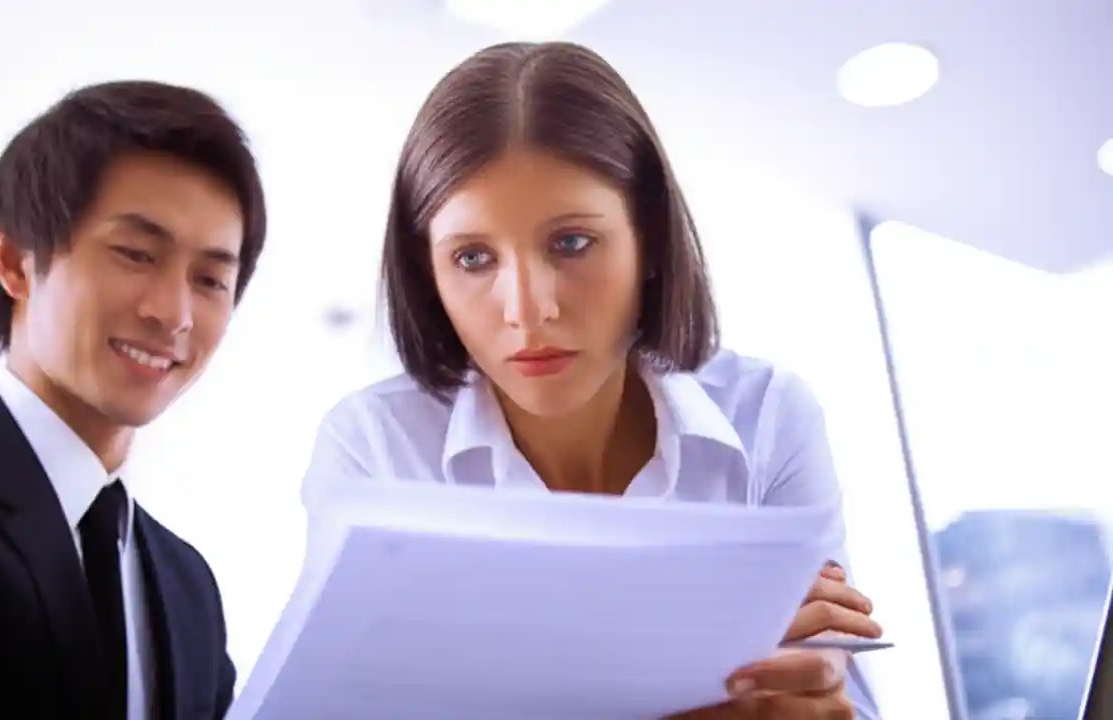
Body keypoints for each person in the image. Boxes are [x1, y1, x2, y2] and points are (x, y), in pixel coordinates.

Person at [302, 42, 883, 719]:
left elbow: (839, 699)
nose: (528, 310)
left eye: (571, 243)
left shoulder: (768, 416)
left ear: (651, 242)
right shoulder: (374, 447)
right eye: (472, 257)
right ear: (427, 273)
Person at [0, 80, 265, 720]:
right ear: (14, 261)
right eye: (136, 254)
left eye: (210, 280)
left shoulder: (187, 587)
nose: (174, 314)